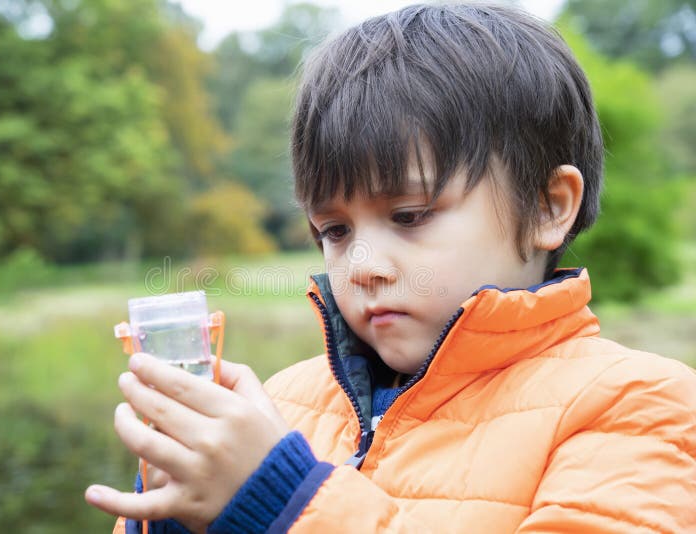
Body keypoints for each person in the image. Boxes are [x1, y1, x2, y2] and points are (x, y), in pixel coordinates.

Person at [86, 3, 696, 532]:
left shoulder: (639, 407)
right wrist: (185, 509)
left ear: (546, 207)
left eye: (408, 215)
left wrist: (280, 501)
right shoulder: (283, 404)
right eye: (335, 230)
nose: (363, 266)